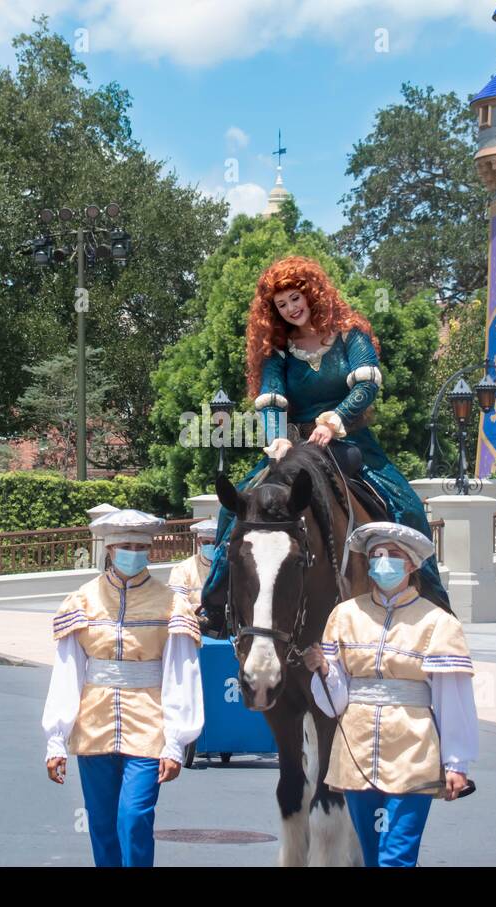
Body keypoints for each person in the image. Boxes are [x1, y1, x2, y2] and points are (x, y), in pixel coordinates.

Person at [202, 256, 452, 632]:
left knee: (407, 506)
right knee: (236, 505)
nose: (290, 309)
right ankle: (213, 606)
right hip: (295, 445)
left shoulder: (350, 333)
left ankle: (435, 600)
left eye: (294, 298)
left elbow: (367, 385)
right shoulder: (279, 350)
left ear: (311, 292)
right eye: (281, 305)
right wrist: (277, 439)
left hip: (350, 441)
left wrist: (335, 422)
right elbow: (271, 398)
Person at [303, 521, 478, 867]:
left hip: (413, 751)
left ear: (412, 564)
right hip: (356, 749)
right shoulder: (344, 615)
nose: (383, 562)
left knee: (396, 856)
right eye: (376, 555)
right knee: (371, 855)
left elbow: (452, 697)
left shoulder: (438, 622)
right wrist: (324, 670)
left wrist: (456, 762)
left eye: (393, 555)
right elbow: (334, 702)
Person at [41, 509, 204, 867]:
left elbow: (181, 672)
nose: (132, 552)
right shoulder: (82, 600)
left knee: (133, 817)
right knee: (101, 824)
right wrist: (57, 738)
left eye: (138, 546)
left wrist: (176, 742)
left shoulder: (170, 604)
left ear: (149, 550)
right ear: (110, 550)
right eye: (124, 546)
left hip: (150, 725)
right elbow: (69, 670)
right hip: (94, 724)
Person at [168, 517, 217, 619]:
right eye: (206, 542)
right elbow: (177, 604)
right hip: (193, 625)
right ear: (199, 542)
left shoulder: (229, 568)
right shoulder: (182, 569)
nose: (211, 546)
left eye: (215, 543)